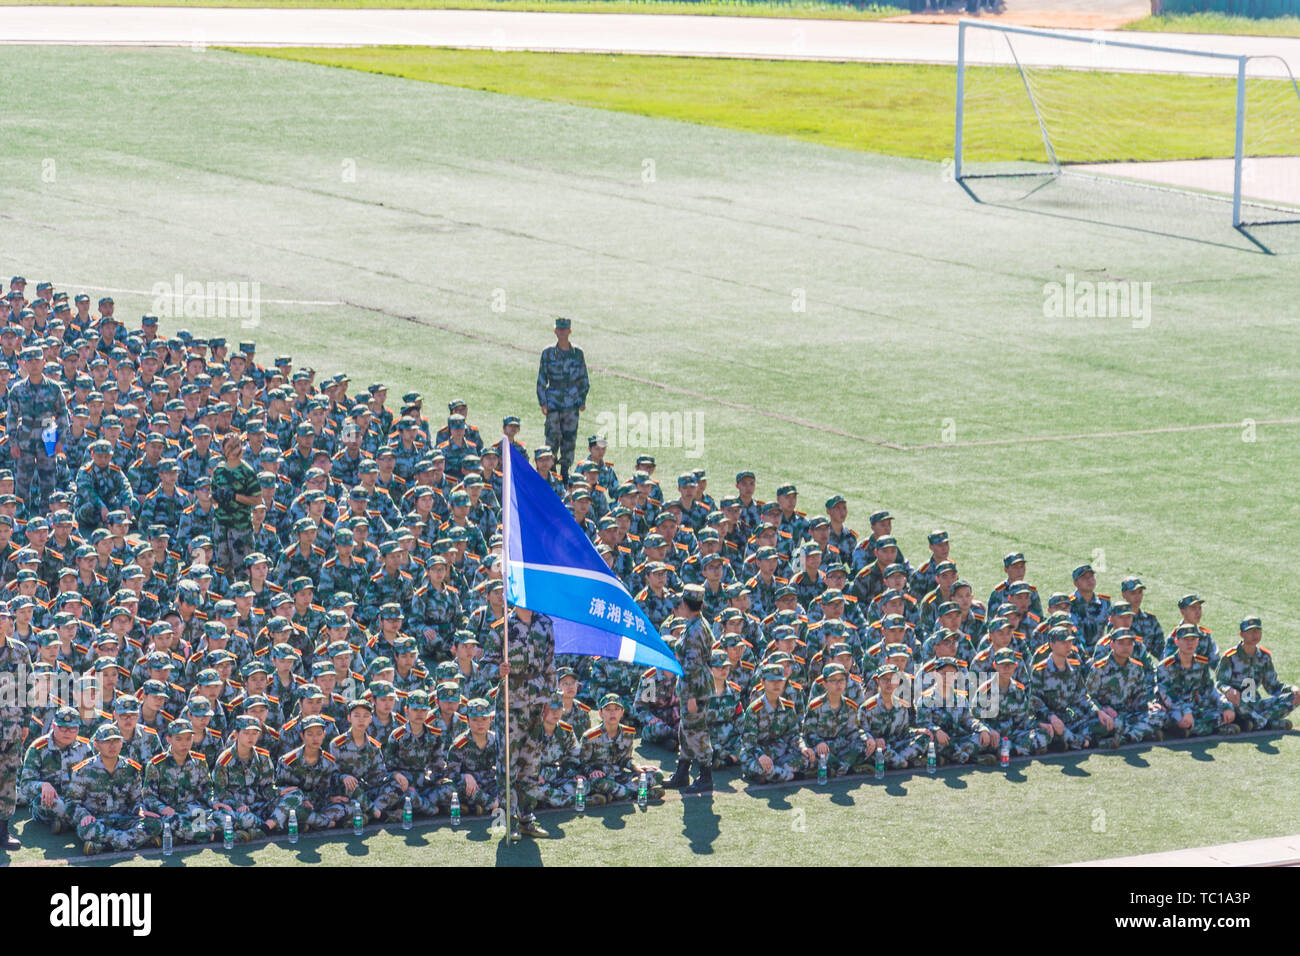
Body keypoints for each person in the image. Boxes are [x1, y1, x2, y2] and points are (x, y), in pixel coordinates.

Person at [495, 605, 554, 839]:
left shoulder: (545, 624)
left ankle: (526, 818)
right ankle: (506, 819)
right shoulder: (502, 627)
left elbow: (549, 663)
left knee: (531, 762)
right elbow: (487, 664)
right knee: (508, 762)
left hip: (537, 701)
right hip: (510, 702)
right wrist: (498, 669)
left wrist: (550, 695)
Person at [67, 723, 152, 856]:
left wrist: (140, 810)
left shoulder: (131, 769)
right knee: (86, 830)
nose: (112, 746)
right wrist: (84, 815)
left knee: (155, 824)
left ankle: (104, 846)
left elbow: (136, 801)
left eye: (116, 741)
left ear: (122, 743)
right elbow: (71, 803)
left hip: (124, 819)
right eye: (107, 742)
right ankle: (133, 841)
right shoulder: (83, 770)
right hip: (97, 821)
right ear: (96, 744)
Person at [7, 344, 69, 516]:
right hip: (25, 439)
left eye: (37, 361)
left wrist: (61, 440)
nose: (33, 364)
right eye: (30, 361)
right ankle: (21, 521)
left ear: (43, 362)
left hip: (48, 437)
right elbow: (11, 418)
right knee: (22, 484)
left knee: (48, 482)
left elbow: (63, 415)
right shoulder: (17, 389)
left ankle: (47, 521)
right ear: (23, 364)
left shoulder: (54, 388)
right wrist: (13, 443)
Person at [666, 583, 714, 792]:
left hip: (695, 688)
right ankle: (682, 772)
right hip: (697, 685)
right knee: (686, 731)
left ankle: (705, 775)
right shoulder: (697, 624)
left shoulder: (695, 630)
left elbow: (692, 666)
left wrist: (692, 697)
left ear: (685, 604)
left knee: (696, 731)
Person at [18, 705, 92, 833]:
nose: (67, 732)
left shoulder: (85, 747)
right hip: (53, 800)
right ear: (53, 726)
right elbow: (25, 785)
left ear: (78, 729)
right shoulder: (38, 748)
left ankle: (66, 823)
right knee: (52, 804)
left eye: (72, 729)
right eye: (63, 728)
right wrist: (42, 785)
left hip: (78, 799)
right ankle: (83, 821)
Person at [1216, 617, 1297, 731]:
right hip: (1237, 703)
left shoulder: (1264, 657)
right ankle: (1267, 723)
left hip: (1255, 704)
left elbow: (1272, 687)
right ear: (1241, 634)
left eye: (1258, 631)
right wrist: (1228, 690)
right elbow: (1220, 683)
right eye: (1250, 631)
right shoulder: (1230, 657)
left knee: (1296, 697)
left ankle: (1258, 721)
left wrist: (1292, 689)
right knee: (1234, 700)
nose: (1255, 635)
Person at [578, 693, 663, 802]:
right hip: (602, 779)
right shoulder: (589, 737)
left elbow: (626, 759)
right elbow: (581, 764)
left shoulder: (628, 733)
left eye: (617, 709)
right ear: (600, 713)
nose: (612, 713)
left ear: (622, 712)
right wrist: (592, 771)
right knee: (597, 783)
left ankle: (619, 794)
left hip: (620, 776)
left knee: (657, 774)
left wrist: (636, 767)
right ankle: (639, 793)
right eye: (608, 709)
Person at [142, 718, 215, 845]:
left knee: (224, 816)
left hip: (194, 811)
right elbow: (149, 796)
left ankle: (182, 837)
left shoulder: (199, 762)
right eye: (179, 739)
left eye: (188, 738)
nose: (184, 743)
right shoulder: (156, 764)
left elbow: (207, 790)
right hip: (170, 813)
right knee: (168, 823)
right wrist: (163, 808)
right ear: (169, 739)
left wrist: (214, 802)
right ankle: (212, 836)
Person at [536, 317, 589, 481]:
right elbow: (541, 379)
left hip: (571, 403)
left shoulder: (577, 353)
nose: (562, 333)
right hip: (554, 401)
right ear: (555, 331)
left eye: (564, 330)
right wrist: (543, 402)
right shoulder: (548, 353)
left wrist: (582, 399)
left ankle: (565, 471)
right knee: (552, 437)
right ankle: (550, 471)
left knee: (569, 438)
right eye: (559, 330)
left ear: (570, 331)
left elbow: (584, 379)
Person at [210, 714, 278, 841]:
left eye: (255, 733)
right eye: (246, 733)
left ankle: (263, 827)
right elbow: (221, 792)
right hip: (236, 810)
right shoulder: (224, 761)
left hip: (259, 805)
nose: (251, 737)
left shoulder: (263, 757)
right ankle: (264, 827)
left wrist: (278, 792)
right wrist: (237, 805)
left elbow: (267, 787)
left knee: (294, 796)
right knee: (222, 817)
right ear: (236, 734)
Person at [741, 663, 812, 783]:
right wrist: (761, 756)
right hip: (757, 753)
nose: (776, 684)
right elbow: (749, 741)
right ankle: (790, 776)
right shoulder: (754, 709)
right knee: (756, 766)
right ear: (763, 682)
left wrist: (802, 747)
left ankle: (777, 774)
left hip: (780, 751)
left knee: (806, 759)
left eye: (780, 681)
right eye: (772, 681)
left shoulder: (788, 707)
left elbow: (793, 735)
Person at [801, 663, 873, 777]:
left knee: (865, 744)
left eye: (841, 680)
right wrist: (819, 742)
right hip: (822, 747)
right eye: (833, 680)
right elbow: (808, 732)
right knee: (812, 754)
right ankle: (845, 767)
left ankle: (837, 767)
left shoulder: (850, 706)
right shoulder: (815, 706)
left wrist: (866, 738)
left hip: (841, 745)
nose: (838, 684)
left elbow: (853, 731)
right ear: (825, 684)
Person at [210, 431, 261, 576]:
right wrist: (216, 497)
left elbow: (257, 499)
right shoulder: (219, 470)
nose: (234, 450)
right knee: (223, 568)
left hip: (241, 526)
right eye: (230, 446)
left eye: (237, 445)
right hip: (222, 525)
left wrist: (235, 497)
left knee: (243, 569)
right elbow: (213, 495)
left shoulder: (247, 471)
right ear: (223, 449)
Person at [0, 615, 29, 849]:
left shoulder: (20, 651)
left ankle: (2, 831)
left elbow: (28, 688)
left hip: (11, 727)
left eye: (3, 617)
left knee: (8, 778)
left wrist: (26, 721)